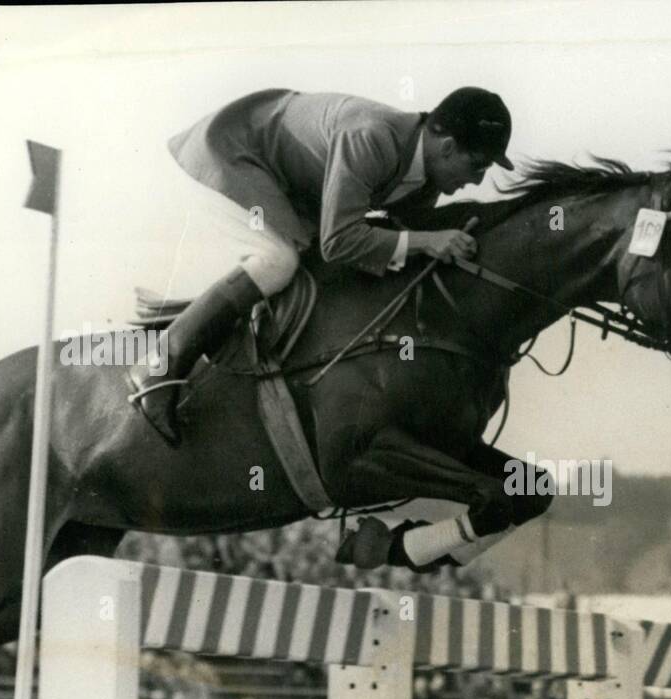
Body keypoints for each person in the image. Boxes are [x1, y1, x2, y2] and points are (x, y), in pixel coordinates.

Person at [128, 86, 515, 444]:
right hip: (230, 153)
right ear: (447, 147)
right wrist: (428, 241)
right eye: (477, 166)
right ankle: (160, 365)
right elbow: (339, 242)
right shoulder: (371, 137)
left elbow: (388, 243)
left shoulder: (425, 174)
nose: (477, 180)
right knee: (277, 260)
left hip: (283, 178)